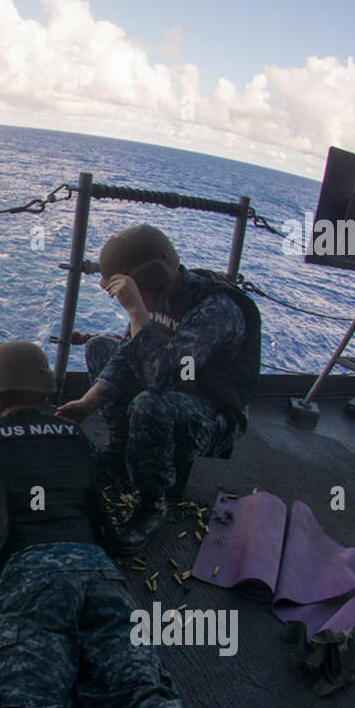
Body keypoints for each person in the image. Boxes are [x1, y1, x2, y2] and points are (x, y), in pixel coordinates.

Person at [0, 341, 232, 708]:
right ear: (46, 387)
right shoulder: (75, 437)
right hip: (99, 572)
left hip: (31, 577)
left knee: (22, 699)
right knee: (137, 691)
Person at [57, 224, 261, 550]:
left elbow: (162, 378)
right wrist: (86, 404)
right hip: (173, 392)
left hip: (214, 414)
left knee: (149, 403)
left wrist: (137, 312)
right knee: (99, 348)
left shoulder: (215, 311)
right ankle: (121, 450)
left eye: (136, 293)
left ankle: (152, 503)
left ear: (152, 282)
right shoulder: (162, 296)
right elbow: (126, 357)